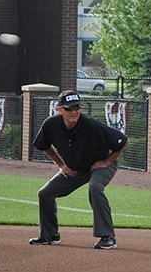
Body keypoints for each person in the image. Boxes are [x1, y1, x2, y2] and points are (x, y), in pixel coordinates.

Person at [29, 90, 129, 250]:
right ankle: (50, 235)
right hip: (76, 169)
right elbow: (43, 145)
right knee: (45, 193)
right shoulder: (51, 124)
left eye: (77, 107)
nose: (74, 112)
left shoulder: (91, 125)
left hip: (99, 165)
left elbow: (122, 141)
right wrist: (61, 165)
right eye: (69, 108)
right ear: (59, 109)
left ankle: (108, 237)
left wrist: (107, 161)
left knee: (95, 187)